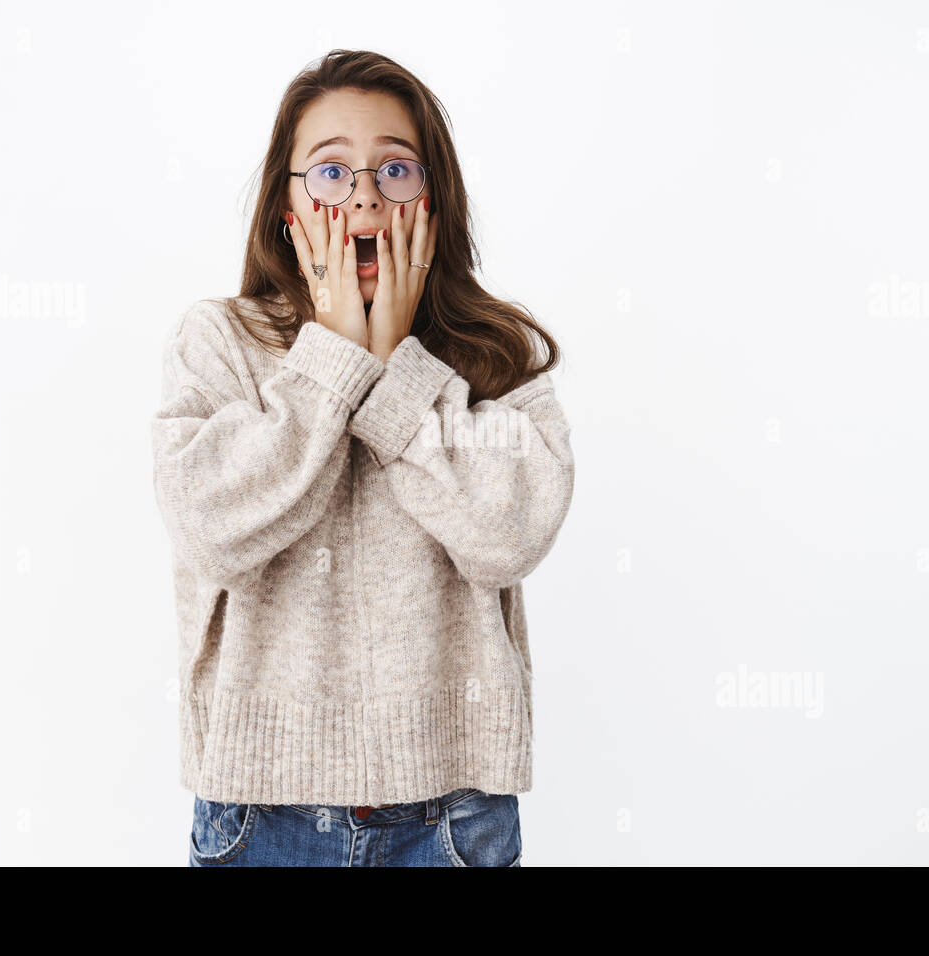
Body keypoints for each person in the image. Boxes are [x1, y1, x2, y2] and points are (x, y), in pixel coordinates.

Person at [151, 49, 574, 866]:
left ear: (435, 196)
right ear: (288, 205)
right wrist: (338, 354)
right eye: (332, 171)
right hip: (258, 814)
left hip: (452, 815)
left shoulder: (497, 354)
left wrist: (398, 376)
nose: (366, 195)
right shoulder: (218, 344)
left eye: (396, 168)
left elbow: (508, 535)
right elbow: (210, 530)